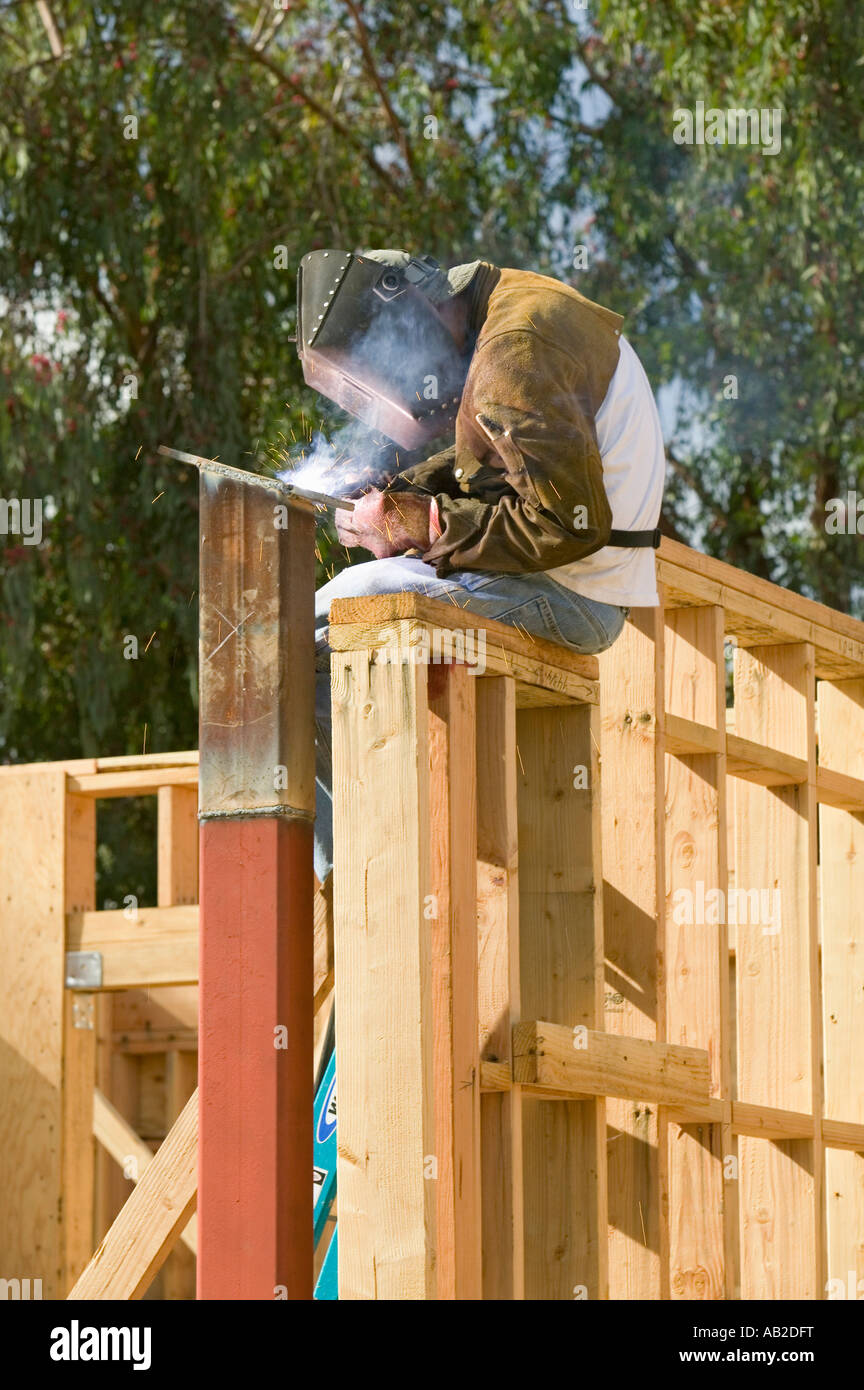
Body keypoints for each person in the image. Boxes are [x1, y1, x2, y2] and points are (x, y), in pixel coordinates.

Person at [304, 249, 666, 885]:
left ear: (414, 313)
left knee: (321, 626)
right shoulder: (508, 306)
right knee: (334, 608)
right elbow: (498, 463)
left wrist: (422, 525)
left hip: (576, 593)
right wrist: (399, 492)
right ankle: (368, 860)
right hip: (577, 580)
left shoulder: (512, 352)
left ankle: (357, 873)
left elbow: (567, 524)